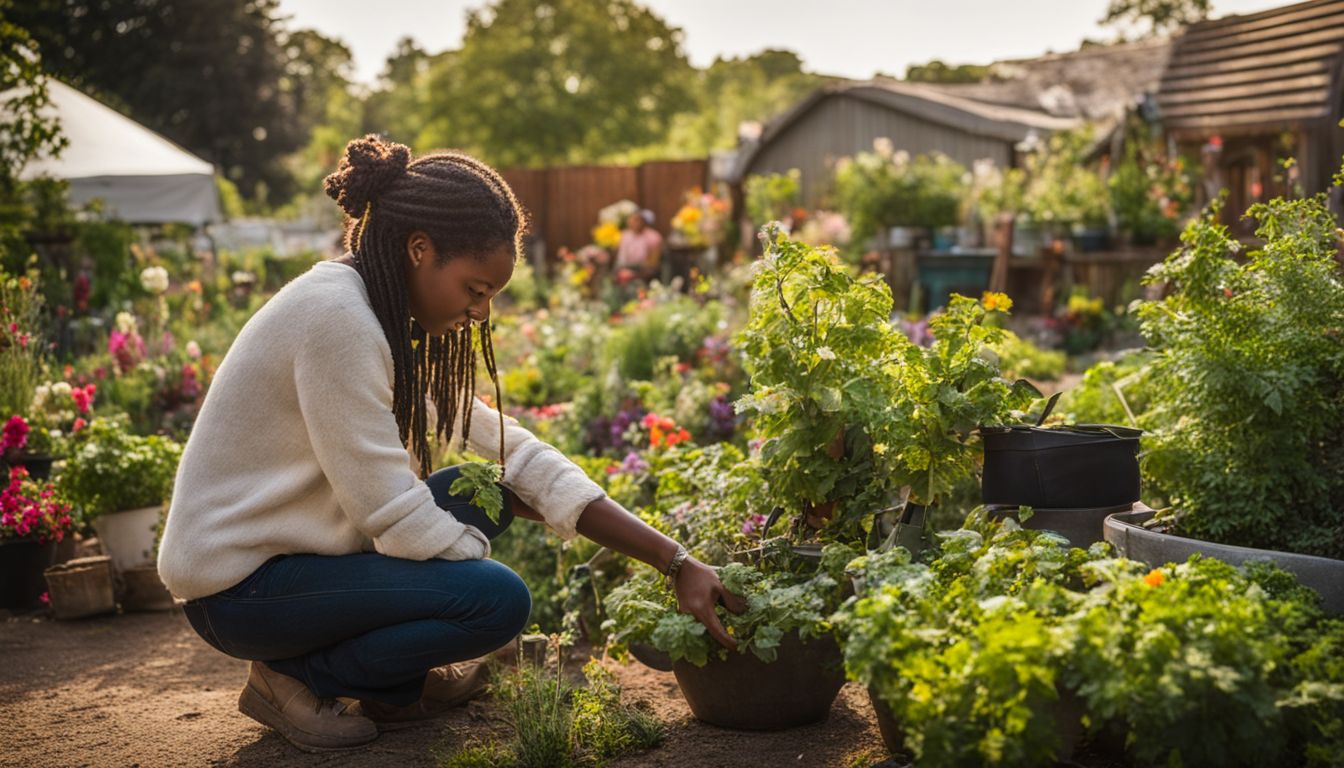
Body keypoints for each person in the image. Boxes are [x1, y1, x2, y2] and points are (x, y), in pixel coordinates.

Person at [156, 135, 745, 753]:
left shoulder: (380, 311)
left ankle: (392, 680)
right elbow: (389, 516)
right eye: (475, 290)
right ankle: (294, 678)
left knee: (484, 494)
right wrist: (465, 577)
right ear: (419, 250)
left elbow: (511, 452)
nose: (482, 313)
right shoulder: (338, 321)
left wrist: (673, 560)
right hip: (240, 589)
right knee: (496, 601)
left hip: (301, 558)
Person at [613, 208, 662, 283]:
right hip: (623, 270)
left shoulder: (653, 237)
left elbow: (653, 263)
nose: (634, 223)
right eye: (632, 220)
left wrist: (634, 273)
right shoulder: (623, 236)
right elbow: (619, 258)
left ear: (644, 222)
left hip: (643, 272)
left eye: (637, 220)